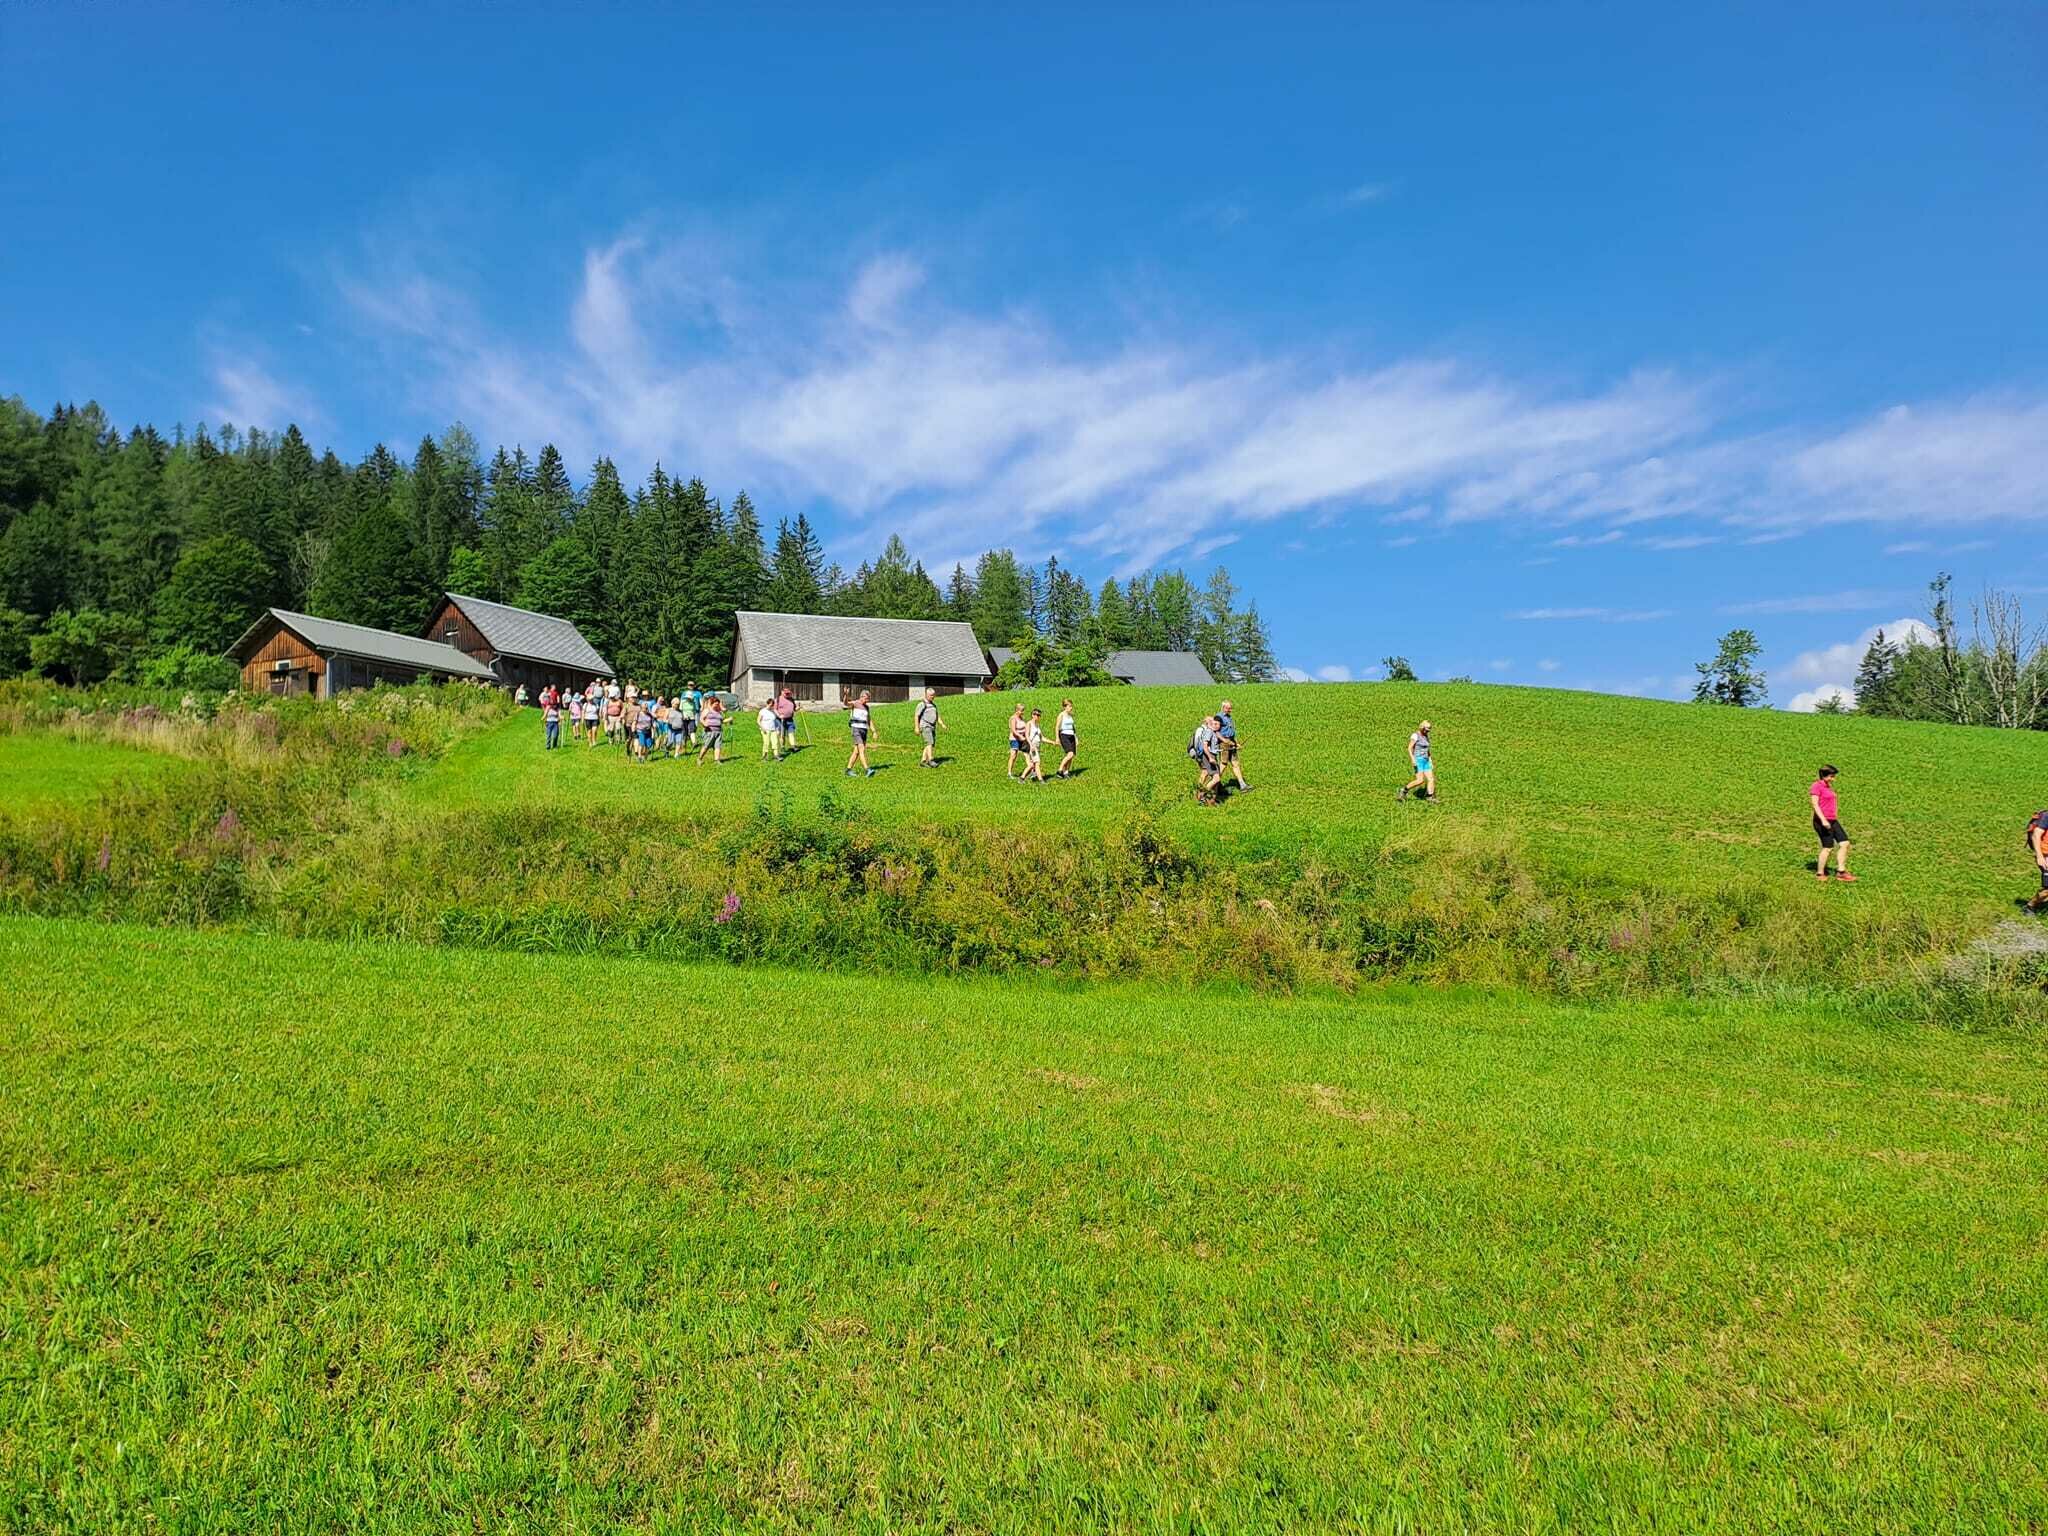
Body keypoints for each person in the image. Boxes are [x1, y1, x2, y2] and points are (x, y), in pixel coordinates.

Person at [1810, 765, 1855, 882]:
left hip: (1833, 820)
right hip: (1822, 821)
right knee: (1828, 847)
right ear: (1824, 775)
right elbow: (1815, 804)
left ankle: (1841, 871)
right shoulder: (1816, 786)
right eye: (1831, 776)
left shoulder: (1827, 786)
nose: (1833, 779)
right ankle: (1820, 873)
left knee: (1844, 843)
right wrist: (1823, 820)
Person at [1215, 699, 1251, 793]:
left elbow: (1231, 731)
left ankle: (1242, 785)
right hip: (1224, 744)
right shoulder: (1218, 717)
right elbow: (1216, 731)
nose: (1230, 710)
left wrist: (1235, 743)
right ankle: (1214, 785)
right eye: (1229, 708)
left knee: (1235, 763)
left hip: (1231, 742)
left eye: (1231, 708)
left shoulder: (1229, 717)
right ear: (1223, 707)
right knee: (1223, 764)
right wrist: (1224, 740)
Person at [1190, 714, 1223, 804]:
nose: (1214, 724)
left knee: (1214, 777)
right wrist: (1208, 757)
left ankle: (1211, 799)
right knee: (1214, 777)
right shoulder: (1205, 731)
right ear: (1207, 722)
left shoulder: (1212, 731)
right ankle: (1201, 796)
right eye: (1212, 722)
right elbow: (1202, 745)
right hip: (1205, 756)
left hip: (1210, 756)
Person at [1399, 720, 1434, 801]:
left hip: (1426, 761)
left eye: (1429, 729)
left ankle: (1430, 797)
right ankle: (1404, 790)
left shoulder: (1426, 736)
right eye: (1427, 729)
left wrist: (1430, 760)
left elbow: (1427, 749)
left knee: (1431, 779)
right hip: (1418, 760)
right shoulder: (1415, 735)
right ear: (1422, 727)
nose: (1428, 731)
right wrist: (1413, 759)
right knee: (1420, 780)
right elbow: (1409, 748)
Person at [846, 690, 877, 777]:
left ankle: (848, 770)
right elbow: (846, 703)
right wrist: (846, 694)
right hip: (856, 729)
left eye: (868, 699)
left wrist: (874, 731)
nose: (867, 701)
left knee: (856, 751)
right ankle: (867, 770)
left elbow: (869, 720)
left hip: (864, 730)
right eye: (866, 699)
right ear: (861, 697)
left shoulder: (867, 707)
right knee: (861, 748)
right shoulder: (855, 703)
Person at [915, 687, 945, 767]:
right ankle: (931, 760)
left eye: (933, 695)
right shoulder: (922, 704)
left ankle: (923, 761)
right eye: (931, 695)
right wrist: (917, 727)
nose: (933, 697)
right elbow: (916, 716)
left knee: (929, 743)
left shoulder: (933, 705)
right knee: (929, 742)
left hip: (932, 726)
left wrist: (942, 724)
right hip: (925, 726)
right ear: (926, 695)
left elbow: (937, 716)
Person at [2028, 809, 2048, 914]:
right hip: (2045, 856)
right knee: (2047, 890)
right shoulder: (2046, 816)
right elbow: (2036, 835)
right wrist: (2039, 856)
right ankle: (2030, 906)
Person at [696, 693, 725, 765]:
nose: (717, 705)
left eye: (718, 704)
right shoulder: (707, 710)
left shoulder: (719, 712)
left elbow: (721, 721)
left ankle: (717, 760)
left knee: (717, 746)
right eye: (715, 704)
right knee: (706, 746)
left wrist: (729, 720)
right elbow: (701, 719)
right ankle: (699, 759)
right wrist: (704, 724)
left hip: (718, 732)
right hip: (709, 731)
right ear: (712, 703)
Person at [1022, 708, 1047, 784]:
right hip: (1032, 747)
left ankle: (1022, 778)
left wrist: (1053, 742)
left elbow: (1042, 738)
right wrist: (1031, 745)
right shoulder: (1029, 723)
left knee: (1032, 764)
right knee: (1037, 762)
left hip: (1037, 746)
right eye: (1036, 714)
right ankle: (1041, 780)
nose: (1037, 716)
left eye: (1039, 715)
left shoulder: (1037, 725)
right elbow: (1027, 735)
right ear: (1032, 715)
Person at [1055, 698, 1078, 779]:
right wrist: (1057, 738)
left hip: (1071, 736)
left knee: (1072, 755)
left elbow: (1073, 727)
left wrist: (1076, 737)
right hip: (1064, 735)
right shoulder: (1061, 715)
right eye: (1069, 706)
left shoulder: (1070, 715)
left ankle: (1066, 772)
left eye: (1071, 706)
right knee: (1070, 753)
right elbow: (1057, 727)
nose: (1071, 708)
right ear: (1065, 707)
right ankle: (1060, 770)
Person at [1006, 704, 1030, 780]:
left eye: (1023, 710)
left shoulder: (1021, 718)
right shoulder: (1013, 718)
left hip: (1022, 739)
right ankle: (1009, 773)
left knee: (1027, 754)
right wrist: (1020, 736)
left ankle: (1031, 770)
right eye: (1021, 710)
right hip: (1014, 739)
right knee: (1013, 755)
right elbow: (1013, 730)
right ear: (1017, 710)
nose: (1023, 712)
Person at [774, 686, 798, 754]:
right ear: (782, 692)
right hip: (781, 720)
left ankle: (793, 746)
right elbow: (775, 709)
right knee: (782, 734)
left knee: (791, 733)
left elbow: (794, 709)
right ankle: (782, 747)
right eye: (786, 693)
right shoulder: (778, 699)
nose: (787, 694)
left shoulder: (791, 699)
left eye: (788, 693)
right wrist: (779, 715)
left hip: (790, 719)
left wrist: (798, 708)